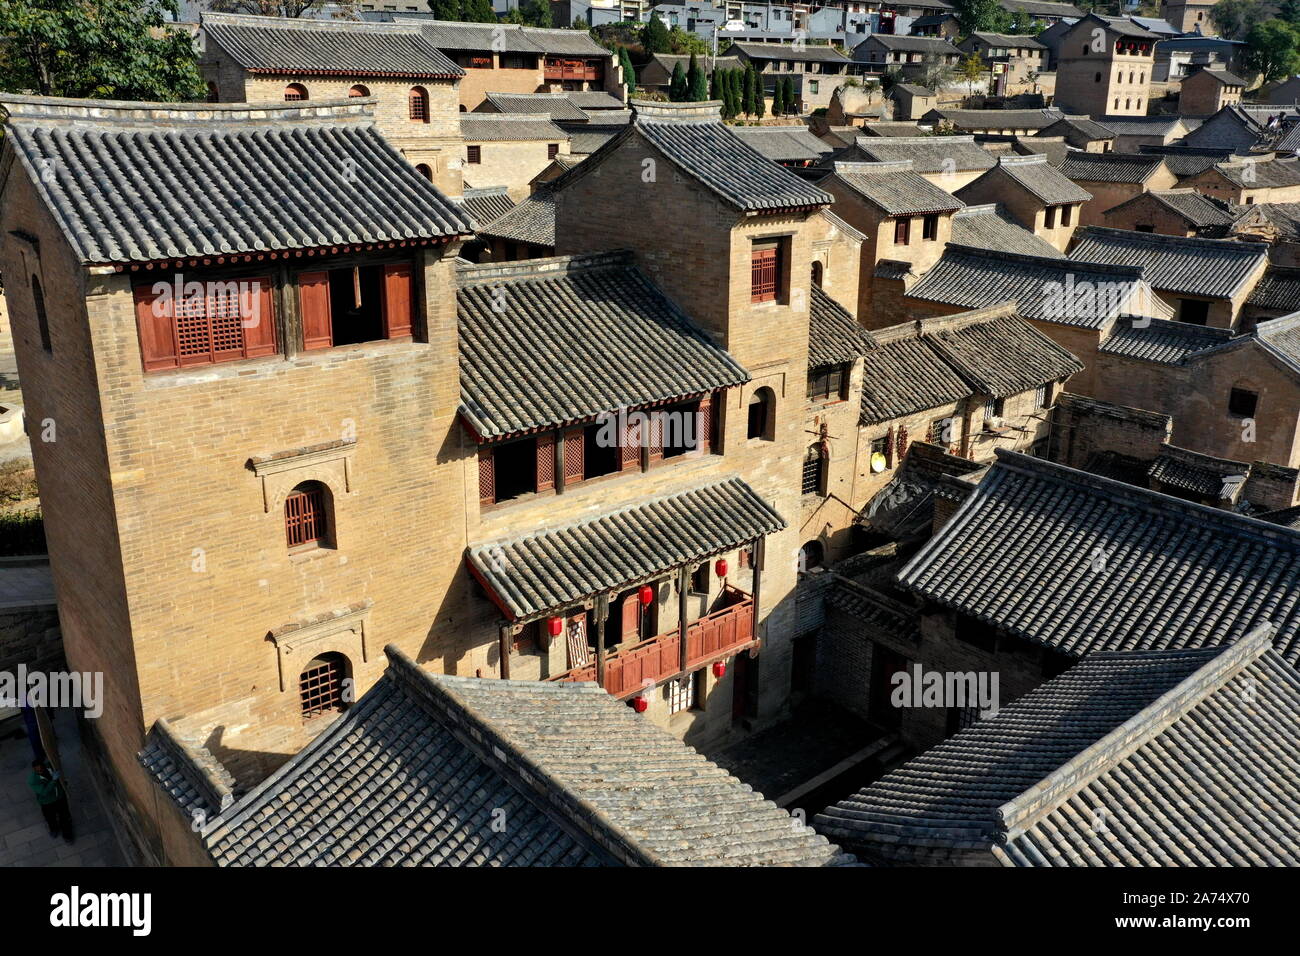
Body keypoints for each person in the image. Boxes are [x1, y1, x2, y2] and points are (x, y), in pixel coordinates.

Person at [28, 760, 74, 843]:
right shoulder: (32, 780)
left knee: (64, 817)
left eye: (41, 769)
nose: (40, 772)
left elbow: (57, 764)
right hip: (47, 802)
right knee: (50, 818)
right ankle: (54, 829)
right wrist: (53, 780)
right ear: (34, 769)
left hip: (59, 797)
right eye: (37, 771)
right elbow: (44, 792)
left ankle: (67, 835)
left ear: (44, 766)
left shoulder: (51, 766)